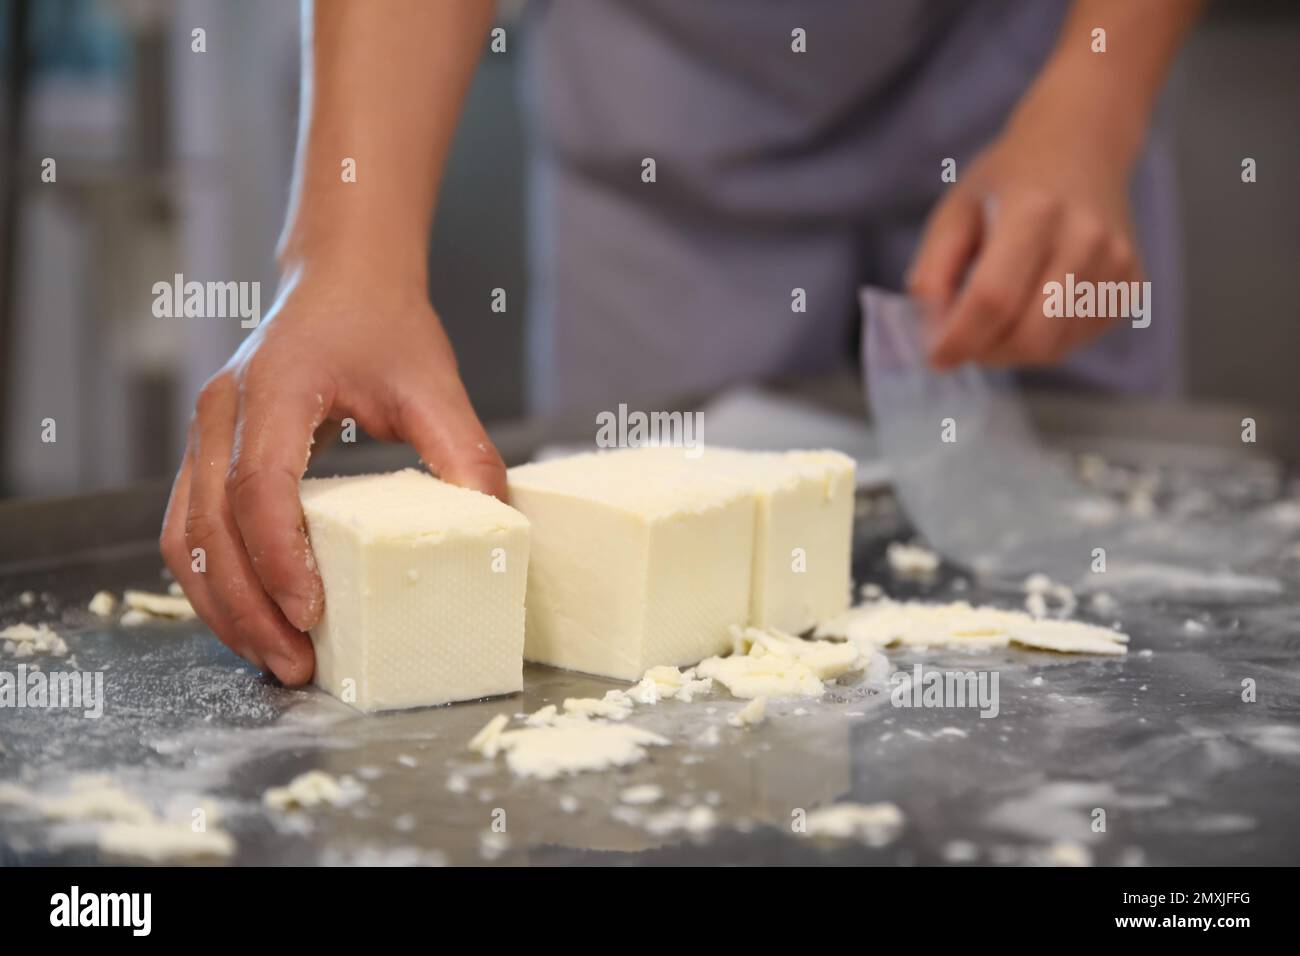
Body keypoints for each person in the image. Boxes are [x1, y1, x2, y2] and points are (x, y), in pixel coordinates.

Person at [160, 0, 1204, 684]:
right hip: (668, 95)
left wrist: (1094, 105)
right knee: (635, 641)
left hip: (1023, 62)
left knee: (1085, 608)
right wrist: (344, 256)